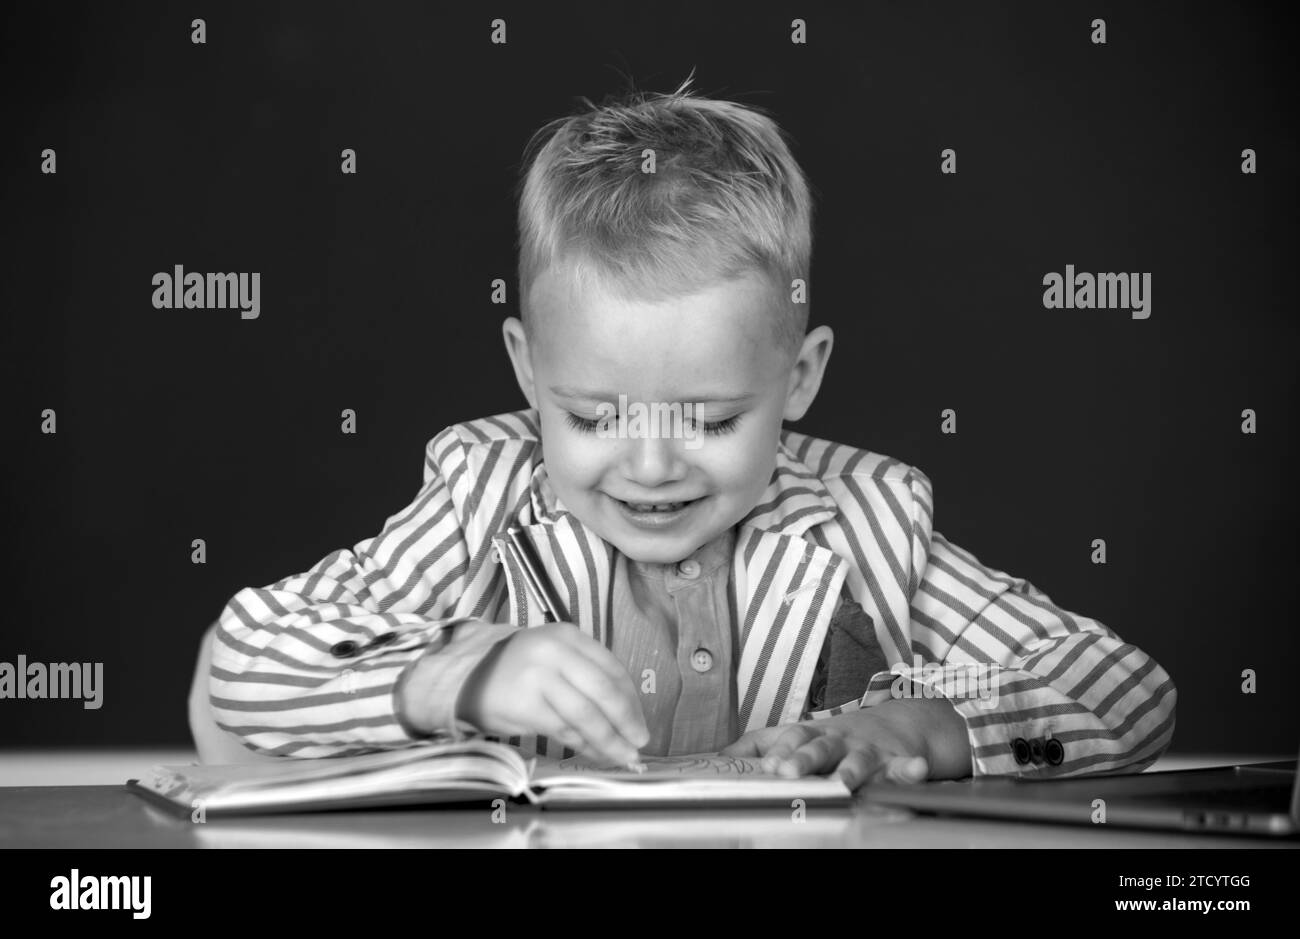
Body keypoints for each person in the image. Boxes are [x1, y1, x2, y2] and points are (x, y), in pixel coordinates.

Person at [203, 78, 1176, 789]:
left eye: (710, 419)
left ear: (798, 378)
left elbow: (1126, 692)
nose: (654, 463)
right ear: (527, 372)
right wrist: (453, 676)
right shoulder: (481, 494)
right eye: (593, 416)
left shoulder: (868, 521)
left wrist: (929, 729)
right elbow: (244, 665)